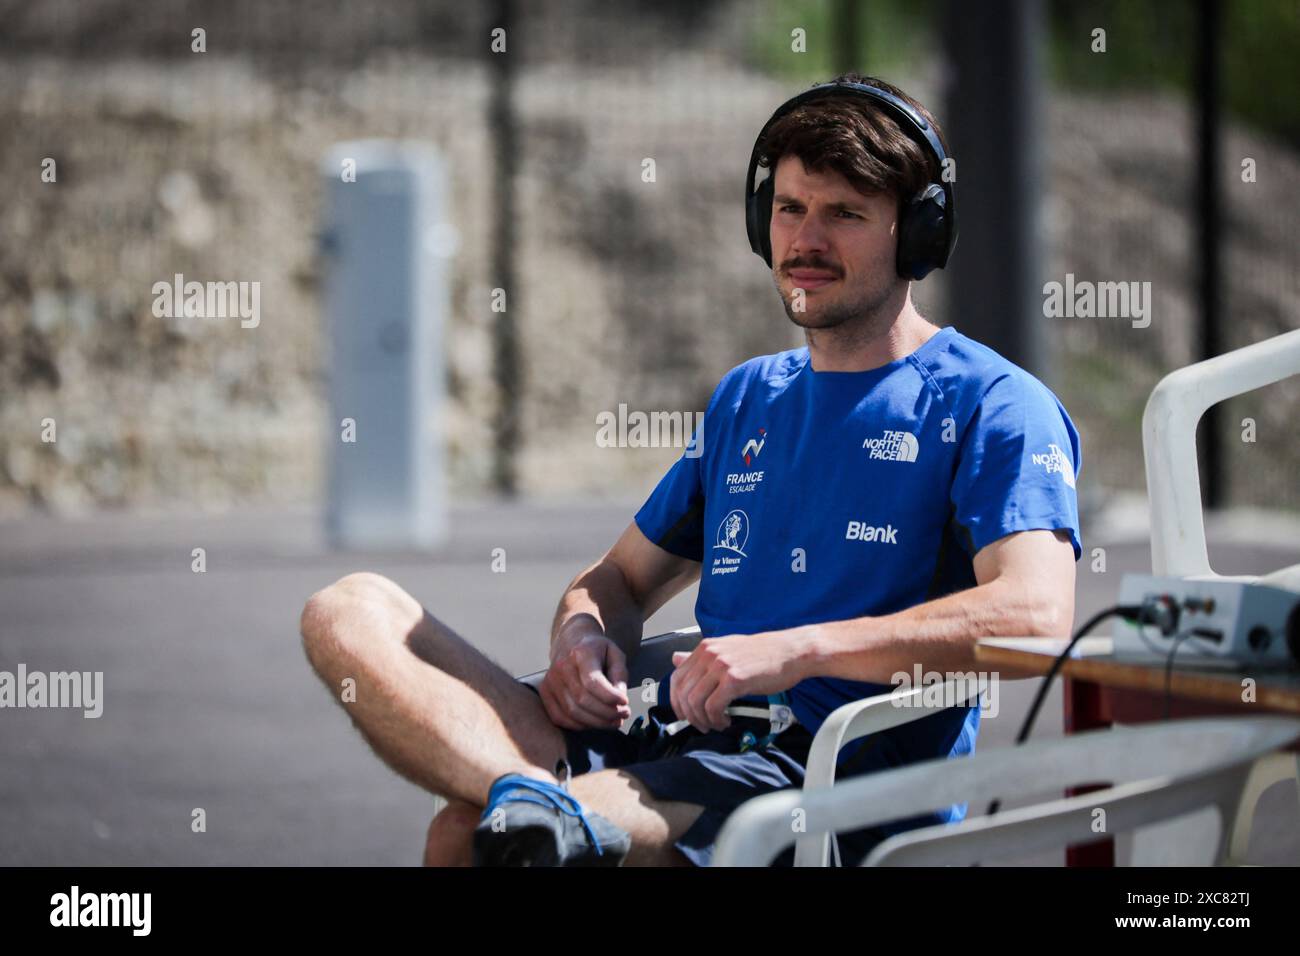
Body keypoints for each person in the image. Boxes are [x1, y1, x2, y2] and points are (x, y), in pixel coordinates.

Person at [299, 73, 1082, 867]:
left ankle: (547, 813)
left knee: (478, 838)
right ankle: (533, 799)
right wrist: (582, 639)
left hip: (821, 788)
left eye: (844, 214)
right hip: (672, 740)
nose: (806, 240)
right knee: (350, 610)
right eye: (788, 208)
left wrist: (801, 648)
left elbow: (1036, 614)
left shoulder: (994, 403)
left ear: (916, 236)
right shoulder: (751, 396)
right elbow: (617, 581)